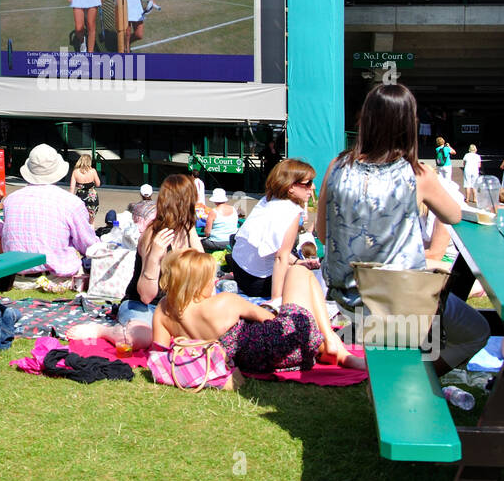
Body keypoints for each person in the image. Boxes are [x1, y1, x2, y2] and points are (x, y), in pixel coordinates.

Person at [316, 83, 488, 372]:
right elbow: (454, 215)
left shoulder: (337, 166)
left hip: (347, 296)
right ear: (409, 124)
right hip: (397, 299)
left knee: (413, 333)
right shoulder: (418, 174)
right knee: (477, 332)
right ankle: (416, 380)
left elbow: (323, 233)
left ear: (365, 120)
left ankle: (386, 371)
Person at [152, 249, 362, 374]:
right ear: (198, 283)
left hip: (256, 363)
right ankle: (332, 343)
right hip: (284, 343)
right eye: (210, 278)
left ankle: (331, 348)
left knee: (299, 315)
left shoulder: (163, 311)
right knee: (298, 272)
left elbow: (158, 353)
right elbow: (271, 320)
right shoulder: (224, 301)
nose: (214, 281)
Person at [117, 173, 205, 329]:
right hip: (143, 307)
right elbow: (145, 296)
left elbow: (205, 274)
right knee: (143, 334)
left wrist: (192, 232)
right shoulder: (154, 234)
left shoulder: (187, 230)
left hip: (174, 306)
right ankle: (103, 331)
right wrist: (154, 257)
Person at [0, 144, 96, 279]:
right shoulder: (71, 202)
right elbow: (88, 245)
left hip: (15, 275)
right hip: (55, 276)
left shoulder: (11, 200)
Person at [229, 159, 315, 300]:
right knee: (307, 279)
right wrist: (276, 301)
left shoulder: (267, 201)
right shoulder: (292, 211)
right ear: (291, 187)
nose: (313, 187)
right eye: (308, 183)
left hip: (239, 269)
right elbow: (281, 257)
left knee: (297, 267)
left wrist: (296, 262)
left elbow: (273, 246)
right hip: (257, 281)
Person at [202, 187, 239, 251]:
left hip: (216, 242)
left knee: (200, 243)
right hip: (231, 241)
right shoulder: (233, 209)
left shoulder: (213, 212)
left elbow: (207, 232)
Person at [68, 153, 100, 221]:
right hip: (92, 197)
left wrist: (70, 201)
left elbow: (72, 188)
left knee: (80, 219)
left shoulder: (75, 172)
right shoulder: (93, 171)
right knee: (91, 221)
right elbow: (98, 184)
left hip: (80, 196)